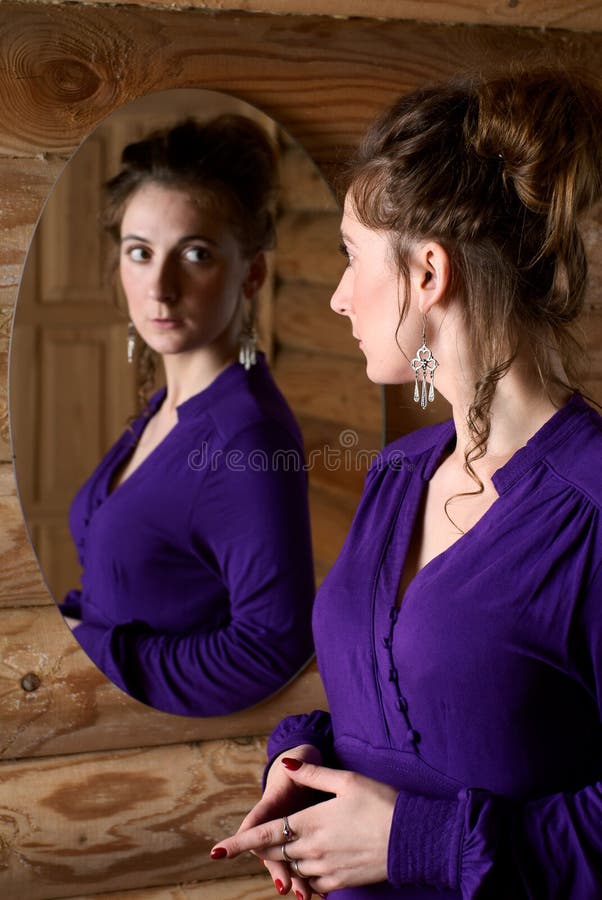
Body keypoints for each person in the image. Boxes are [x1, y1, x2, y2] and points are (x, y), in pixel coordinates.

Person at [210, 66, 602, 897]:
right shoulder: (397, 475)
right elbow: (409, 711)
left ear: (428, 274)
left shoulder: (592, 508)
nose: (341, 299)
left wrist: (416, 843)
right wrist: (305, 763)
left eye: (354, 259)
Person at [59, 115, 315, 717]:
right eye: (140, 253)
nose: (160, 287)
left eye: (195, 253)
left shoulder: (246, 438)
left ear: (251, 272)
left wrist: (98, 651)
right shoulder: (166, 407)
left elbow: (270, 651)